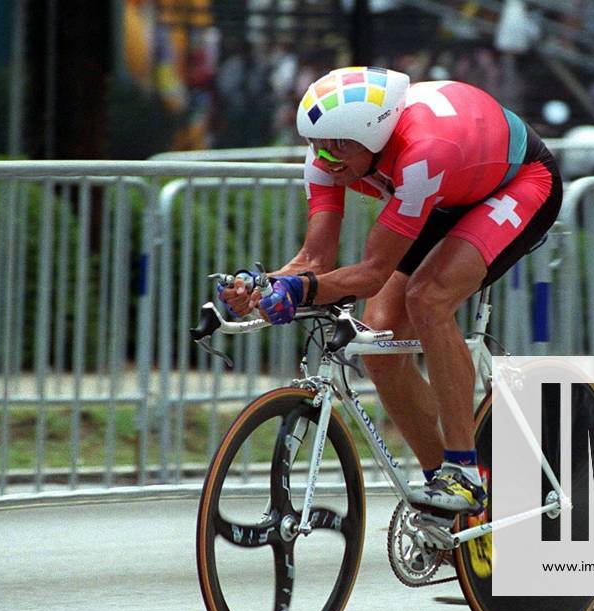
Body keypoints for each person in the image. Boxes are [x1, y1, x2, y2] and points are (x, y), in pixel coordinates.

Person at [221, 67, 563, 516]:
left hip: (517, 183)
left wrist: (298, 290)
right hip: (445, 190)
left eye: (339, 146)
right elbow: (314, 261)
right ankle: (443, 496)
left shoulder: (421, 154)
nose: (325, 158)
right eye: (315, 144)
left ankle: (463, 473)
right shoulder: (328, 154)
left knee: (429, 297)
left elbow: (372, 273)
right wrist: (263, 289)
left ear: (374, 134)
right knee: (380, 342)